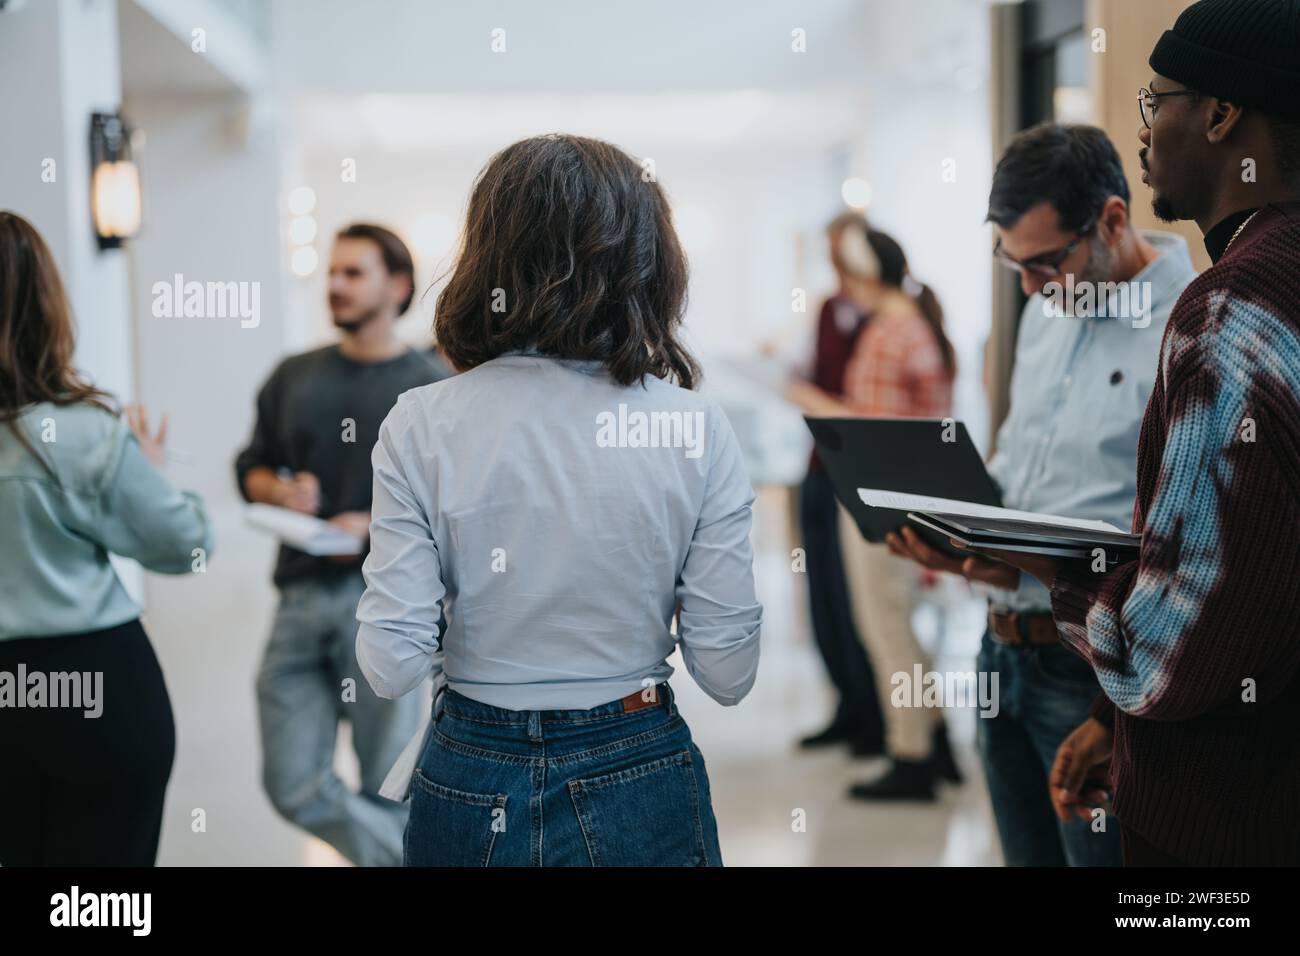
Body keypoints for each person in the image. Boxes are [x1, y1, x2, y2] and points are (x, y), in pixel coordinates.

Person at [354, 133, 763, 867]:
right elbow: (728, 674)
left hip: (470, 771)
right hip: (640, 762)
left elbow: (389, 664)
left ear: (487, 259)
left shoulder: (420, 422)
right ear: (647, 260)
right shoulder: (694, 427)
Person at [969, 0, 1300, 866]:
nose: (1145, 134)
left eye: (1157, 105)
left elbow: (1167, 645)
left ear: (1222, 114)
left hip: (1218, 802)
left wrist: (1053, 572)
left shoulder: (1225, 312)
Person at [888, 124, 1195, 863]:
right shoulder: (1042, 316)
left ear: (1112, 221)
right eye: (1011, 262)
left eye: (1046, 263)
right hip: (1002, 652)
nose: (1028, 287)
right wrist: (972, 543)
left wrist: (1115, 709)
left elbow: (1187, 543)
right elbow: (1021, 465)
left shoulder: (1191, 326)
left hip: (1095, 670)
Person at [0, 211, 212, 866]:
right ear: (44, 308)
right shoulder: (79, 436)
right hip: (96, 688)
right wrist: (150, 470)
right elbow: (184, 545)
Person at [235, 222, 447, 866]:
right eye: (333, 272)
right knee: (292, 782)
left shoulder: (433, 386)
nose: (336, 285)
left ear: (398, 286)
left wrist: (377, 524)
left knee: (391, 784)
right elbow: (251, 466)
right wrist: (278, 491)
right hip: (299, 599)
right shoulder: (293, 376)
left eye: (354, 273)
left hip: (388, 602)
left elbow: (458, 505)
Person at [786, 222, 962, 801]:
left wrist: (802, 395)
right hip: (907, 493)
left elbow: (869, 428)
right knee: (898, 621)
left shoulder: (890, 331)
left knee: (886, 628)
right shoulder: (914, 323)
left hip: (880, 497)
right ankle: (933, 740)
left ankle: (910, 753)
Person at [783, 212, 888, 758]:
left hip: (862, 475)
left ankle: (876, 716)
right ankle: (846, 706)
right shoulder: (827, 309)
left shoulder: (885, 313)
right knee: (822, 593)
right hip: (820, 465)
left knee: (857, 602)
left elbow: (869, 408)